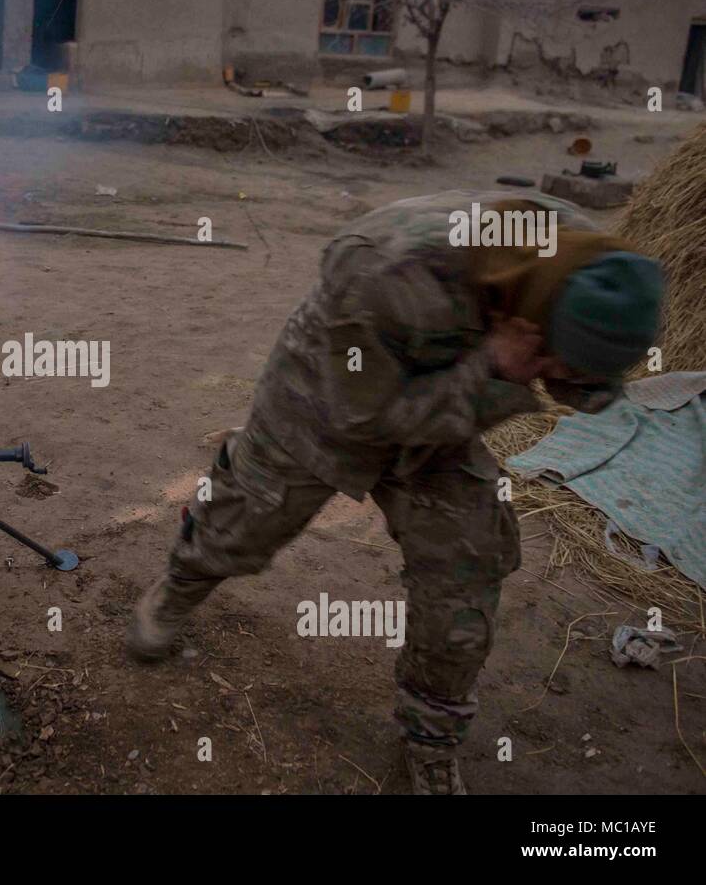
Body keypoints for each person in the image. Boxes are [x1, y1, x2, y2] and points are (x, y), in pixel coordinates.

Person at [126, 191, 663, 794]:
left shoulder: (580, 268)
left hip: (455, 400)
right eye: (558, 363)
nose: (560, 379)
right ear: (534, 325)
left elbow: (585, 378)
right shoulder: (387, 269)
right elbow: (369, 419)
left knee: (469, 558)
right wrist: (494, 368)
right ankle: (179, 587)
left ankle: (433, 736)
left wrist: (535, 371)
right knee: (247, 521)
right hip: (330, 394)